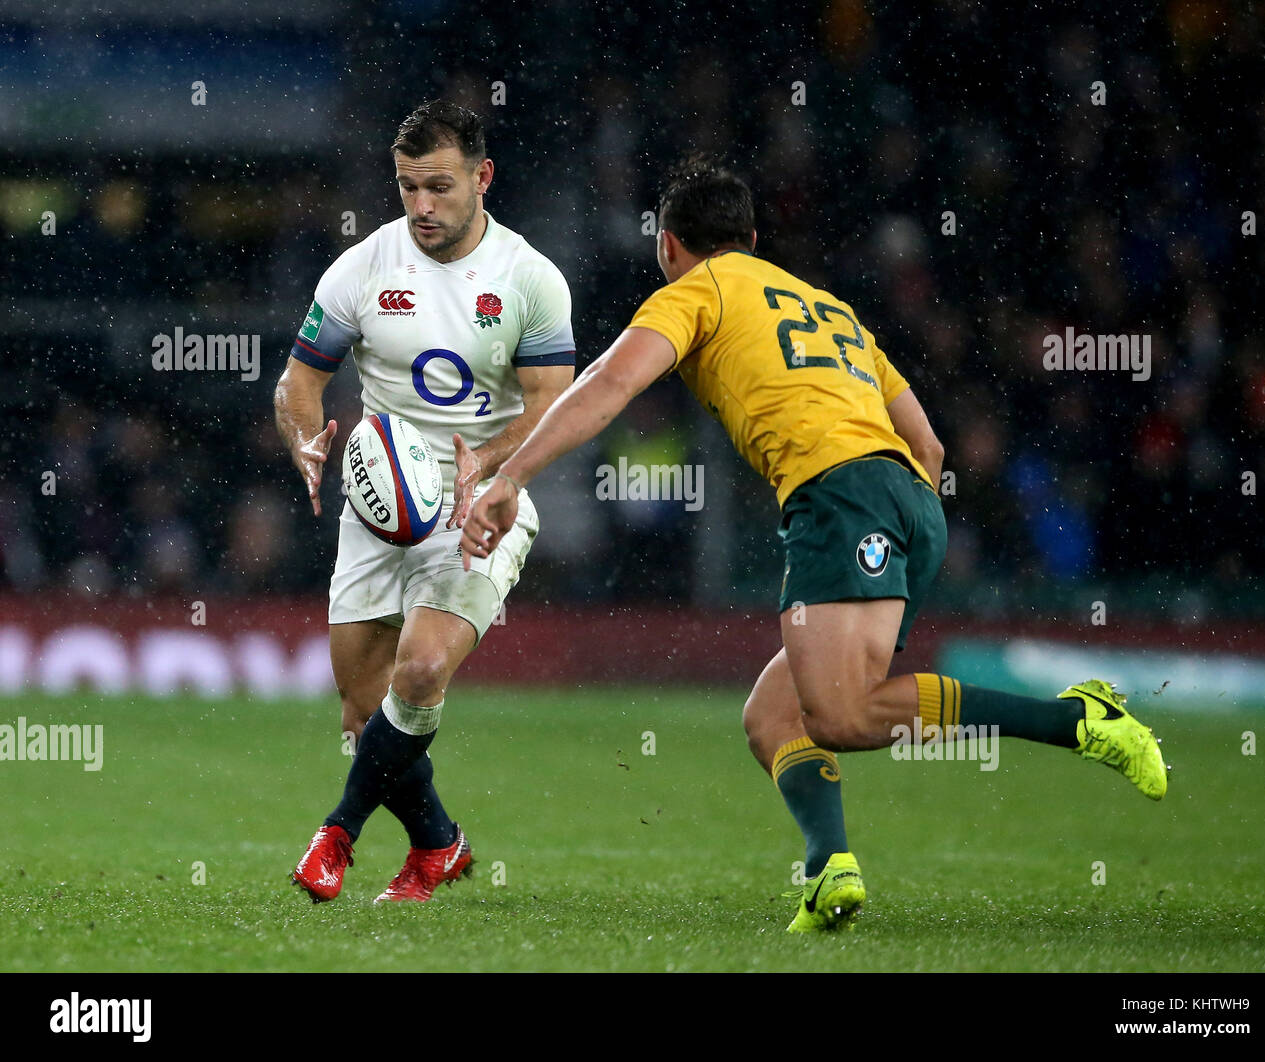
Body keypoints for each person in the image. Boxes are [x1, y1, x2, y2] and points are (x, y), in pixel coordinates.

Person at [459, 157, 1167, 933]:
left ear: (667, 247)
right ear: (754, 238)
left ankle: (1076, 719)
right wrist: (901, 530)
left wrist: (510, 474)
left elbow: (607, 384)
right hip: (909, 503)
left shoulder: (696, 290)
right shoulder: (826, 306)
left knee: (838, 716)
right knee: (772, 717)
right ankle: (831, 869)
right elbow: (927, 444)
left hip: (838, 498)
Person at [274, 100, 576, 903]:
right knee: (361, 707)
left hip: (485, 500)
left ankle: (336, 833)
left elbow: (556, 401)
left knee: (422, 667)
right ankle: (439, 845)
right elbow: (299, 382)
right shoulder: (363, 267)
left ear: (482, 178)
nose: (422, 207)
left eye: (439, 187)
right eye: (408, 188)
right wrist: (307, 444)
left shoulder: (529, 278)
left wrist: (492, 465)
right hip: (380, 501)